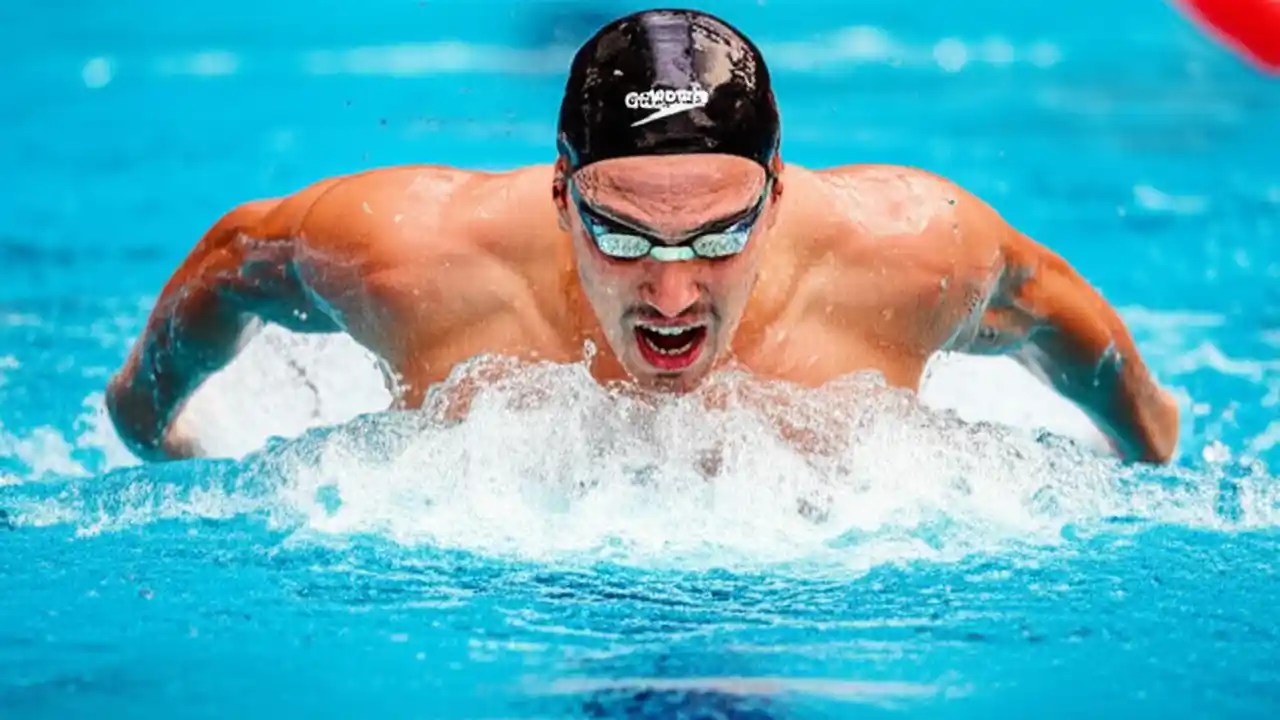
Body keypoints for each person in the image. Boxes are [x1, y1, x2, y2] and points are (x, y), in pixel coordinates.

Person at [105, 8, 1180, 464]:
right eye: (624, 236)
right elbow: (230, 265)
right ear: (560, 195)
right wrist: (150, 426)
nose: (672, 299)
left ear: (775, 195)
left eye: (715, 238)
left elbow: (1059, 320)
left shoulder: (907, 252)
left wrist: (1146, 448)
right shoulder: (412, 259)